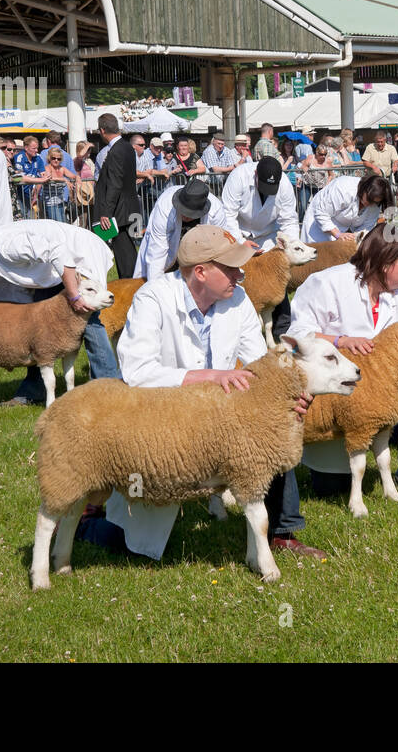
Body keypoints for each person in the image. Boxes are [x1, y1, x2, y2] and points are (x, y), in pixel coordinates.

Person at [88, 226, 325, 563]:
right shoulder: (152, 298)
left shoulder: (238, 299)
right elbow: (137, 372)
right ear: (200, 272)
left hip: (221, 420)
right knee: (133, 548)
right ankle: (89, 520)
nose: (240, 274)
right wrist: (209, 377)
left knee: (274, 428)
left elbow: (260, 362)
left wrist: (288, 394)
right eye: (230, 268)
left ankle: (281, 533)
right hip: (165, 423)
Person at [290, 223, 398, 503]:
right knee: (328, 488)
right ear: (386, 264)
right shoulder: (328, 283)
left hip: (383, 388)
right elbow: (295, 336)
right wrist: (340, 341)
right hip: (338, 397)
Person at [0, 220, 121, 405]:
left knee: (88, 319)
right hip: (48, 271)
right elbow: (13, 290)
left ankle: (108, 388)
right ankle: (34, 391)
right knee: (39, 332)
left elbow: (59, 252)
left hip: (78, 255)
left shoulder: (7, 244)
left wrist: (75, 295)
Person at [134, 178, 226, 279]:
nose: (185, 216)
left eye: (190, 213)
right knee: (150, 281)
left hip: (197, 255)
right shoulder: (165, 206)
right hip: (167, 252)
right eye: (183, 210)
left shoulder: (217, 211)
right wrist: (155, 287)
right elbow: (157, 252)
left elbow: (217, 248)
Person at [93, 112, 138, 278]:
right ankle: (131, 279)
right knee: (126, 248)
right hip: (125, 206)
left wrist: (106, 212)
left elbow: (115, 183)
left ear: (103, 131)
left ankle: (129, 283)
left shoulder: (116, 150)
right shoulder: (127, 147)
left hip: (119, 209)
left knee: (123, 251)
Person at [219, 156, 299, 250]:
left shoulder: (285, 184)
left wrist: (294, 246)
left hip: (267, 237)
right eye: (264, 185)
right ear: (256, 173)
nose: (266, 191)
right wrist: (240, 241)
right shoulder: (239, 176)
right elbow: (228, 214)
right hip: (238, 233)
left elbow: (288, 220)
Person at [301, 174, 393, 244]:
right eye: (369, 199)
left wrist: (356, 238)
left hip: (343, 228)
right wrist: (338, 234)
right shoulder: (343, 188)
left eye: (374, 202)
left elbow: (365, 227)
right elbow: (321, 213)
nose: (369, 204)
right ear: (365, 188)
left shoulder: (375, 204)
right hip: (318, 223)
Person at [35, 146, 77, 223]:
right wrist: (64, 179)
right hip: (51, 203)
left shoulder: (62, 168)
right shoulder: (47, 168)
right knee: (59, 225)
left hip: (60, 202)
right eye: (53, 158)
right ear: (49, 158)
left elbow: (74, 176)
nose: (56, 160)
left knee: (63, 224)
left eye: (59, 159)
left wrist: (79, 180)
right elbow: (49, 178)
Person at [11, 135, 46, 217]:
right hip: (18, 194)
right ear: (26, 148)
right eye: (34, 148)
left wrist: (36, 194)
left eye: (37, 148)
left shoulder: (38, 158)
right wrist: (40, 180)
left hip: (29, 195)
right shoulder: (19, 158)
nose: (36, 150)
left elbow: (43, 175)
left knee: (31, 219)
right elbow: (20, 178)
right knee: (22, 218)